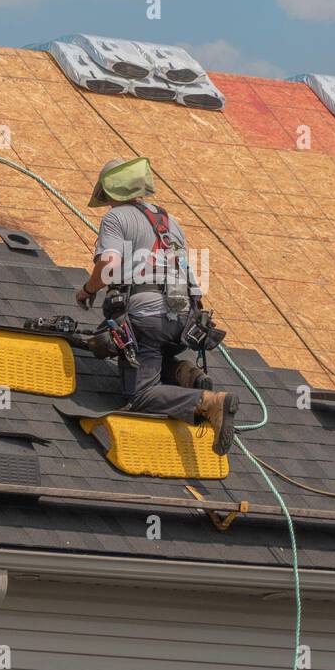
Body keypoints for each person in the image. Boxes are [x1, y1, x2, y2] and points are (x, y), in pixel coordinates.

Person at [75, 157, 237, 455]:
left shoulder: (117, 218)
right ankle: (185, 374)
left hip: (148, 317)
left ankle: (209, 402)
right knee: (150, 354)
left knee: (140, 394)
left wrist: (87, 290)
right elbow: (188, 277)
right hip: (185, 321)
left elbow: (109, 264)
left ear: (110, 192)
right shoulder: (170, 222)